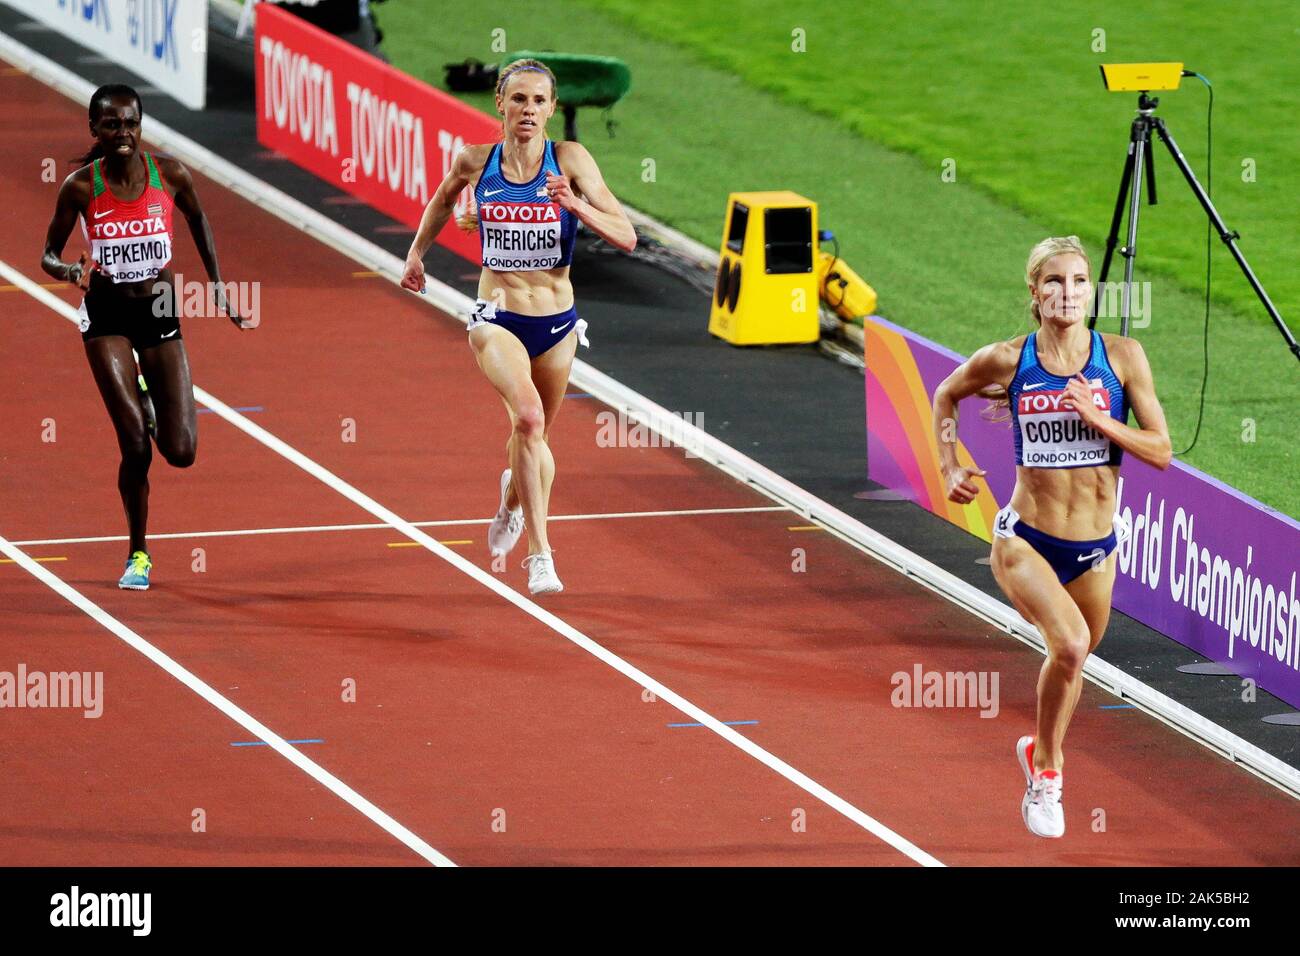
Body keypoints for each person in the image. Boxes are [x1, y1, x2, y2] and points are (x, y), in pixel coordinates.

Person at [931, 236, 1172, 838]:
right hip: (1025, 540)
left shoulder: (1121, 358)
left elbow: (1162, 451)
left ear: (1092, 291)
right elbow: (946, 394)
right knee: (1067, 647)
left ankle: (1038, 750)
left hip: (1096, 550)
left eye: (1079, 282)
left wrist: (1099, 418)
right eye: (1055, 283)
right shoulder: (1009, 360)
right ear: (1035, 295)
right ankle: (1050, 773)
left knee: (1073, 658)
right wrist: (949, 464)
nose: (1068, 293)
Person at [401, 59, 636, 595]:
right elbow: (442, 201)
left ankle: (511, 498)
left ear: (552, 109)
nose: (528, 110)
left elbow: (626, 236)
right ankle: (540, 556)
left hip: (557, 324)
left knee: (534, 436)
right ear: (500, 106)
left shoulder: (571, 160)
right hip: (497, 317)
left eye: (538, 101)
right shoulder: (476, 160)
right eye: (518, 100)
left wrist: (574, 204)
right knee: (529, 420)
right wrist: (416, 255)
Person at [41, 84, 251, 591]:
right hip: (107, 313)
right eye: (111, 125)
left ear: (141, 124)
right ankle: (138, 552)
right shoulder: (80, 187)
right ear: (94, 130)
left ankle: (147, 400)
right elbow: (47, 253)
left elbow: (199, 220)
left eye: (131, 123)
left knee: (180, 451)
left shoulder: (171, 175)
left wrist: (219, 287)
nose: (123, 134)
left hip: (159, 308)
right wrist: (72, 272)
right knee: (135, 447)